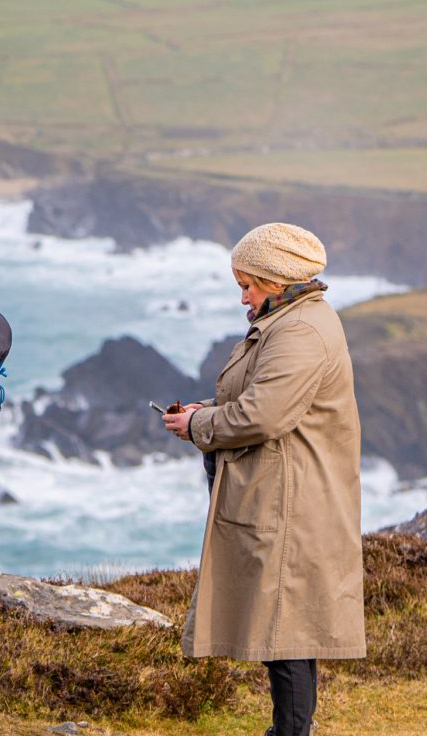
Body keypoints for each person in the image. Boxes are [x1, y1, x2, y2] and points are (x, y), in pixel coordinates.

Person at [163, 222, 366, 736]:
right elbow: (262, 397)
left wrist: (198, 425)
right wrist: (208, 409)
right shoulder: (293, 320)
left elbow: (265, 415)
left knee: (288, 631)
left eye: (247, 285)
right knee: (283, 624)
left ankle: (292, 733)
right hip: (285, 494)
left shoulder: (299, 332)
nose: (243, 297)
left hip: (292, 502)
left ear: (277, 281)